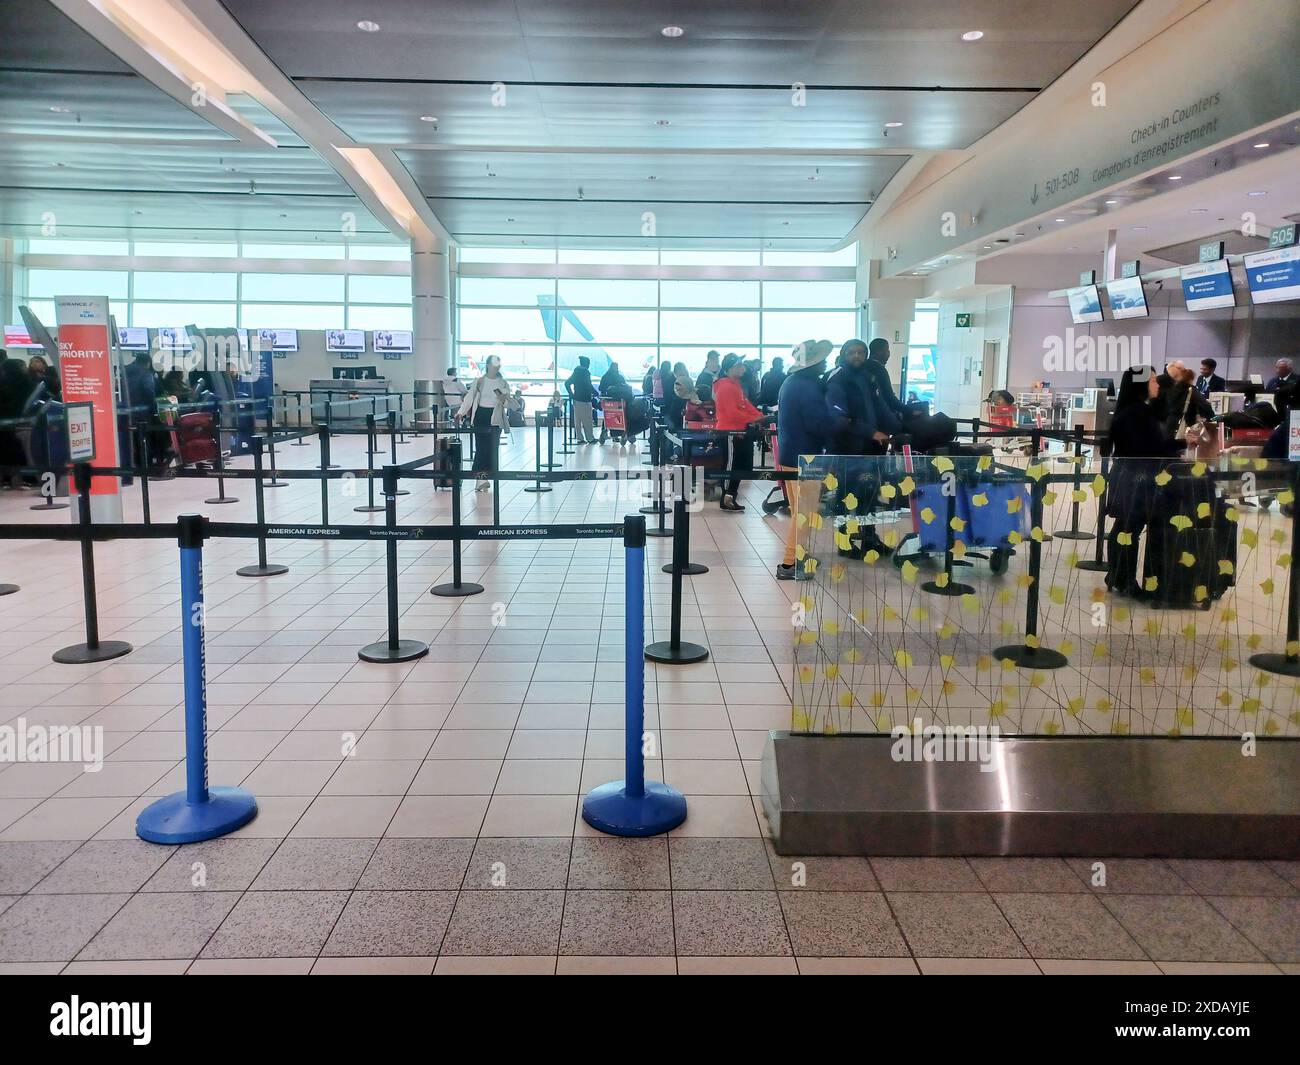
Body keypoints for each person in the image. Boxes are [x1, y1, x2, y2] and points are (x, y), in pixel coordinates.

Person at [1104, 365, 1180, 597]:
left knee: (1125, 527)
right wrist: (1183, 444)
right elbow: (1149, 448)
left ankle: (1118, 576)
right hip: (1136, 476)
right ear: (1142, 384)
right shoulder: (1138, 412)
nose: (1157, 385)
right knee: (1130, 527)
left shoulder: (1130, 410)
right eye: (1154, 381)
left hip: (1127, 474)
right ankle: (1123, 579)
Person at [774, 340, 833, 579]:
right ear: (814, 364)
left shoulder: (791, 382)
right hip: (805, 456)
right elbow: (817, 423)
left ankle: (800, 553)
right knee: (804, 513)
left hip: (790, 453)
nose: (826, 363)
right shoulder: (809, 387)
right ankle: (790, 563)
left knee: (800, 510)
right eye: (822, 360)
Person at [713, 353, 766, 512]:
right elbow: (731, 413)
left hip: (739, 431)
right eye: (739, 365)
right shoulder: (725, 386)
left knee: (740, 465)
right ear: (730, 368)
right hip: (729, 432)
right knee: (731, 465)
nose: (743, 368)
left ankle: (731, 496)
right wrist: (754, 418)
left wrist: (759, 416)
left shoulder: (735, 384)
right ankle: (726, 497)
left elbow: (745, 405)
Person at [457, 354, 517, 490]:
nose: (496, 366)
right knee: (481, 449)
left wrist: (504, 400)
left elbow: (508, 403)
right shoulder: (479, 381)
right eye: (494, 363)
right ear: (488, 365)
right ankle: (480, 479)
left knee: (492, 449)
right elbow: (469, 398)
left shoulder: (503, 383)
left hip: (495, 417)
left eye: (499, 364)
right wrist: (461, 412)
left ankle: (488, 476)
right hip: (481, 416)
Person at [861, 338, 909, 437]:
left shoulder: (863, 366)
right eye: (887, 350)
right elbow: (889, 397)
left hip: (866, 418)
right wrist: (908, 410)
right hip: (881, 419)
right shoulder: (879, 369)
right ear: (880, 352)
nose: (888, 353)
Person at [565, 355, 597, 443]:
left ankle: (580, 438)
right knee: (588, 421)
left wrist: (571, 394)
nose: (589, 365)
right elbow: (589, 385)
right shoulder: (585, 372)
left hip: (576, 400)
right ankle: (590, 438)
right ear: (586, 364)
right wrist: (596, 393)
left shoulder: (576, 372)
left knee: (577, 420)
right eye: (589, 363)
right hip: (585, 400)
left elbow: (567, 383)